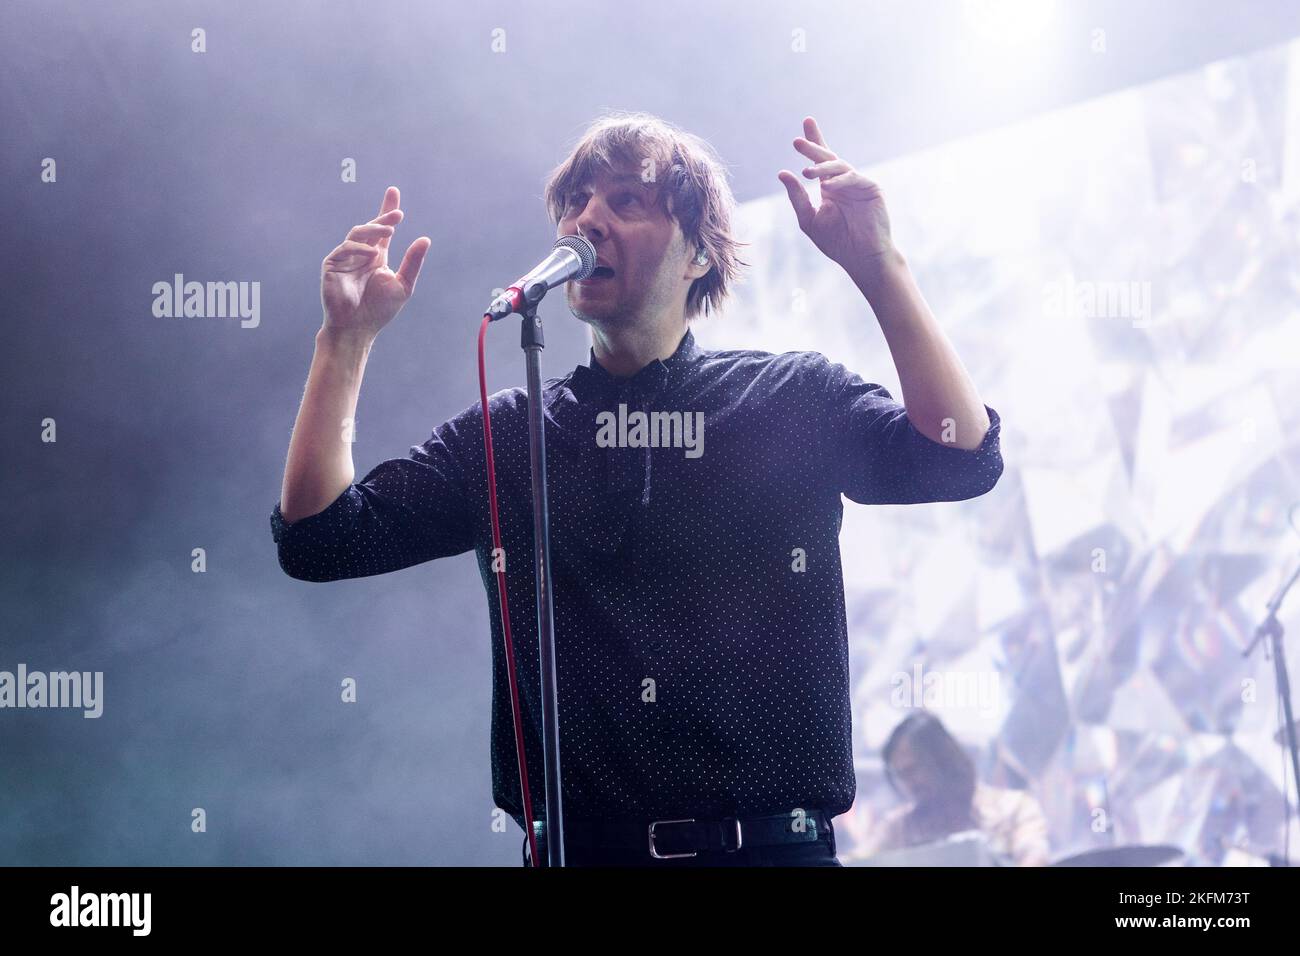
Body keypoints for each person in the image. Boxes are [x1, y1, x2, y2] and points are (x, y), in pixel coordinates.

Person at [270, 111, 1005, 866]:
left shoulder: (789, 398)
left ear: (697, 253)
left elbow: (959, 456)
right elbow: (322, 538)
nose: (588, 218)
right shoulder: (509, 435)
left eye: (627, 200)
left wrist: (880, 266)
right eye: (577, 201)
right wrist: (345, 342)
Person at [864, 711, 1050, 866]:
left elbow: (1033, 854)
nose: (909, 783)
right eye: (901, 775)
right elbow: (860, 860)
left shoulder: (1013, 810)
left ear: (944, 759)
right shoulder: (898, 829)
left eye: (913, 770)